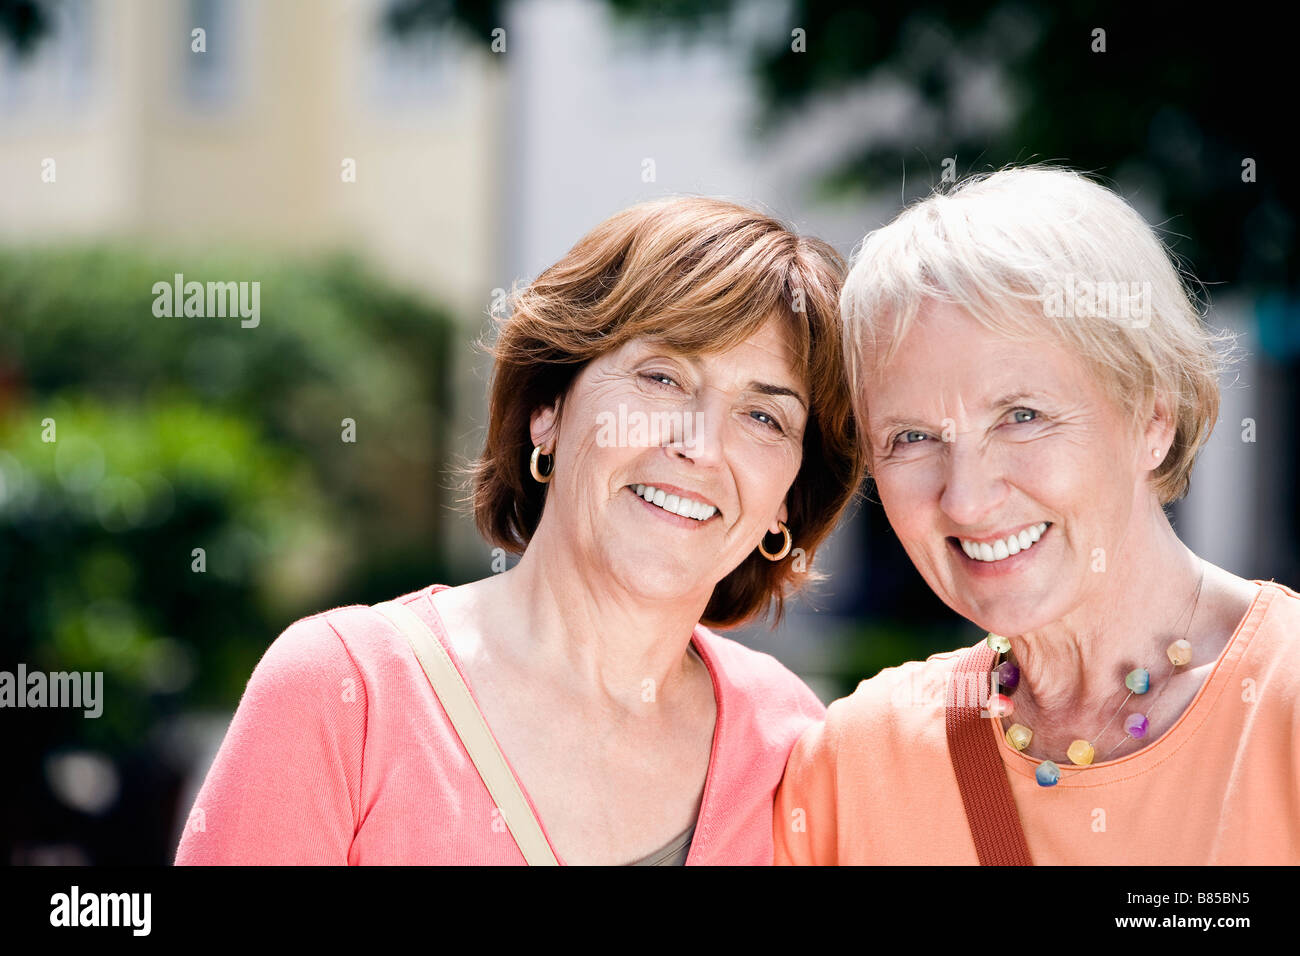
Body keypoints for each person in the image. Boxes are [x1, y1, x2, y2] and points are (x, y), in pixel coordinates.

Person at [175, 196, 865, 865]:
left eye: (764, 417)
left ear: (788, 498)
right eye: (661, 377)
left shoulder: (793, 744)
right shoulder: (342, 691)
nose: (702, 445)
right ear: (548, 409)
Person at [774, 166, 1300, 865]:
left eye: (1022, 416)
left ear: (1153, 417)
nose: (964, 499)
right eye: (912, 438)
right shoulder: (852, 766)